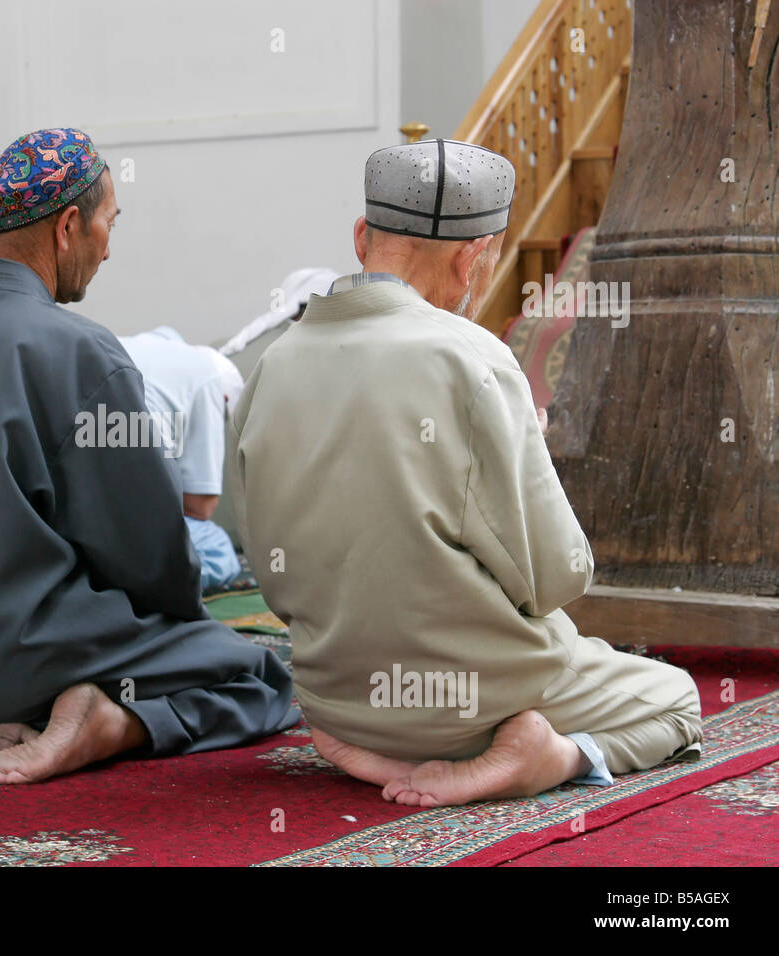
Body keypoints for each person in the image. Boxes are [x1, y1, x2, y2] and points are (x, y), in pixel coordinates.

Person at [229, 139, 702, 807]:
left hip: (337, 701)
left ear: (362, 237)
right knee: (676, 698)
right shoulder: (471, 357)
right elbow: (556, 577)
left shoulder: (273, 366)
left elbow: (269, 567)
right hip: (473, 702)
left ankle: (383, 754)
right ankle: (548, 759)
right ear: (472, 256)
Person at [0, 128, 298, 786]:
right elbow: (150, 555)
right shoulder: (80, 351)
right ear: (69, 226)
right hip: (20, 658)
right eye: (110, 223)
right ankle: (110, 724)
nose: (109, 248)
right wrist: (180, 629)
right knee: (255, 675)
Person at [117, 326, 244, 590]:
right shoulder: (207, 378)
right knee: (217, 549)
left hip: (57, 513)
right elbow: (199, 507)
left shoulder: (119, 343)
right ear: (225, 398)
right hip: (117, 528)